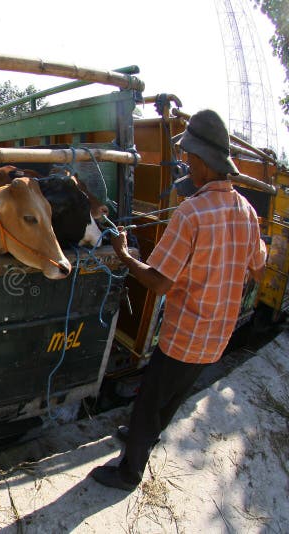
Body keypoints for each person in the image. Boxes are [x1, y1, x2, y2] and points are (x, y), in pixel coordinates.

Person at [90, 109, 267, 491]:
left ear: (202, 162)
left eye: (189, 156)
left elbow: (159, 283)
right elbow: (258, 268)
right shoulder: (248, 213)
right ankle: (147, 436)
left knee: (149, 400)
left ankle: (128, 472)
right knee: (172, 398)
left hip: (185, 334)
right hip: (218, 335)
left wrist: (123, 255)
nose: (186, 161)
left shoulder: (192, 213)